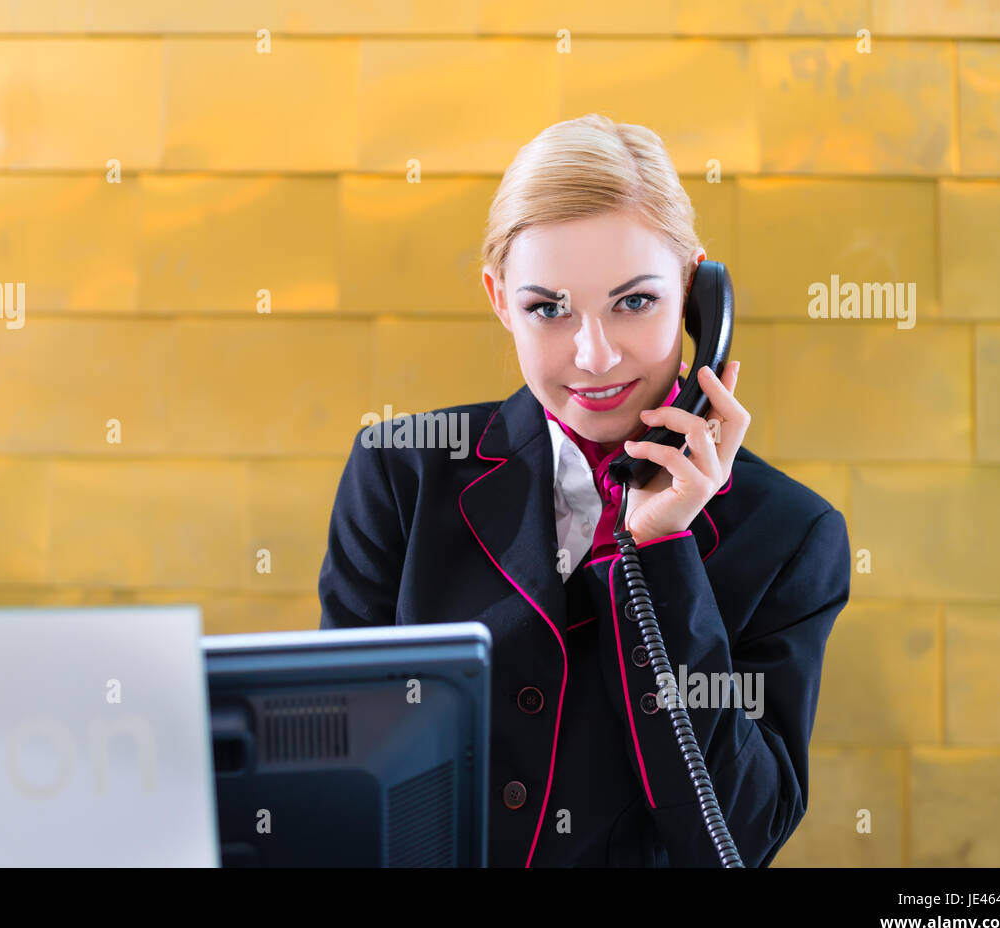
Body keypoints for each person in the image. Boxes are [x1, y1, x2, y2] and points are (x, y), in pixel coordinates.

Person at [318, 114, 852, 867]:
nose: (595, 355)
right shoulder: (400, 474)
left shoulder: (792, 536)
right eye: (548, 308)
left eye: (634, 301)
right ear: (500, 299)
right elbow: (336, 782)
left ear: (699, 298)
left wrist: (662, 552)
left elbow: (735, 837)